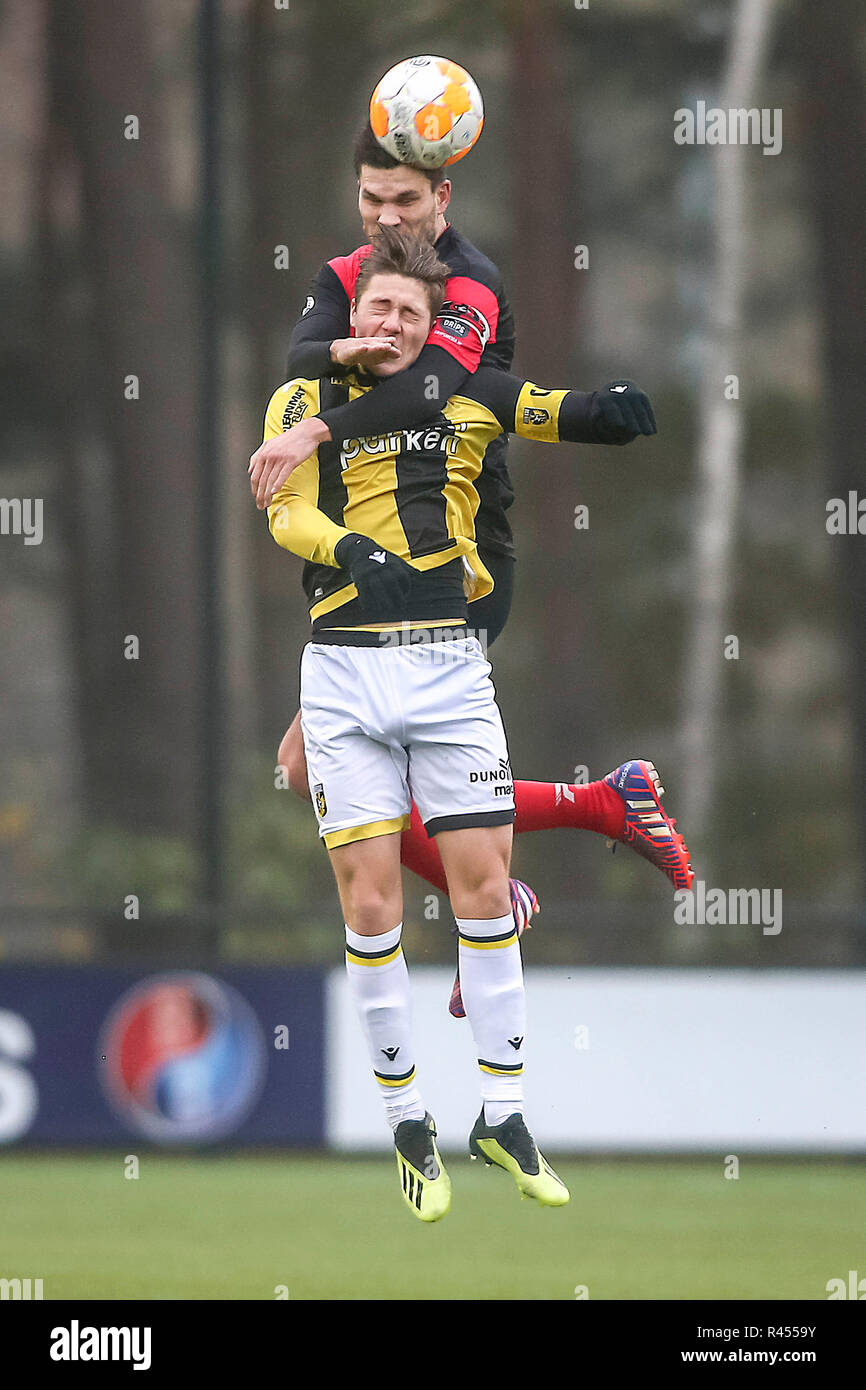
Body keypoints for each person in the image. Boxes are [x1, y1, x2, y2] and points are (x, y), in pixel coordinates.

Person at [257, 227, 665, 1222]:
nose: (391, 324)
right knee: (369, 908)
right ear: (351, 318)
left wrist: (604, 414)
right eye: (377, 308)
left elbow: (539, 408)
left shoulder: (462, 387)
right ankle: (407, 1124)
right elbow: (282, 512)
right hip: (345, 675)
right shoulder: (304, 400)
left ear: (427, 321)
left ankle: (503, 1114)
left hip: (449, 670)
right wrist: (351, 549)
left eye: (408, 311)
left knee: (484, 892)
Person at [249, 124, 693, 1016]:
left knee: (386, 779)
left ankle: (520, 874)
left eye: (404, 201)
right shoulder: (347, 274)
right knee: (309, 771)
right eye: (371, 199)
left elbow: (432, 391)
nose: (384, 216)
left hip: (462, 555)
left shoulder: (470, 286)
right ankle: (595, 811)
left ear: (443, 198)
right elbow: (302, 357)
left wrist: (313, 428)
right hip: (373, 573)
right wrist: (330, 366)